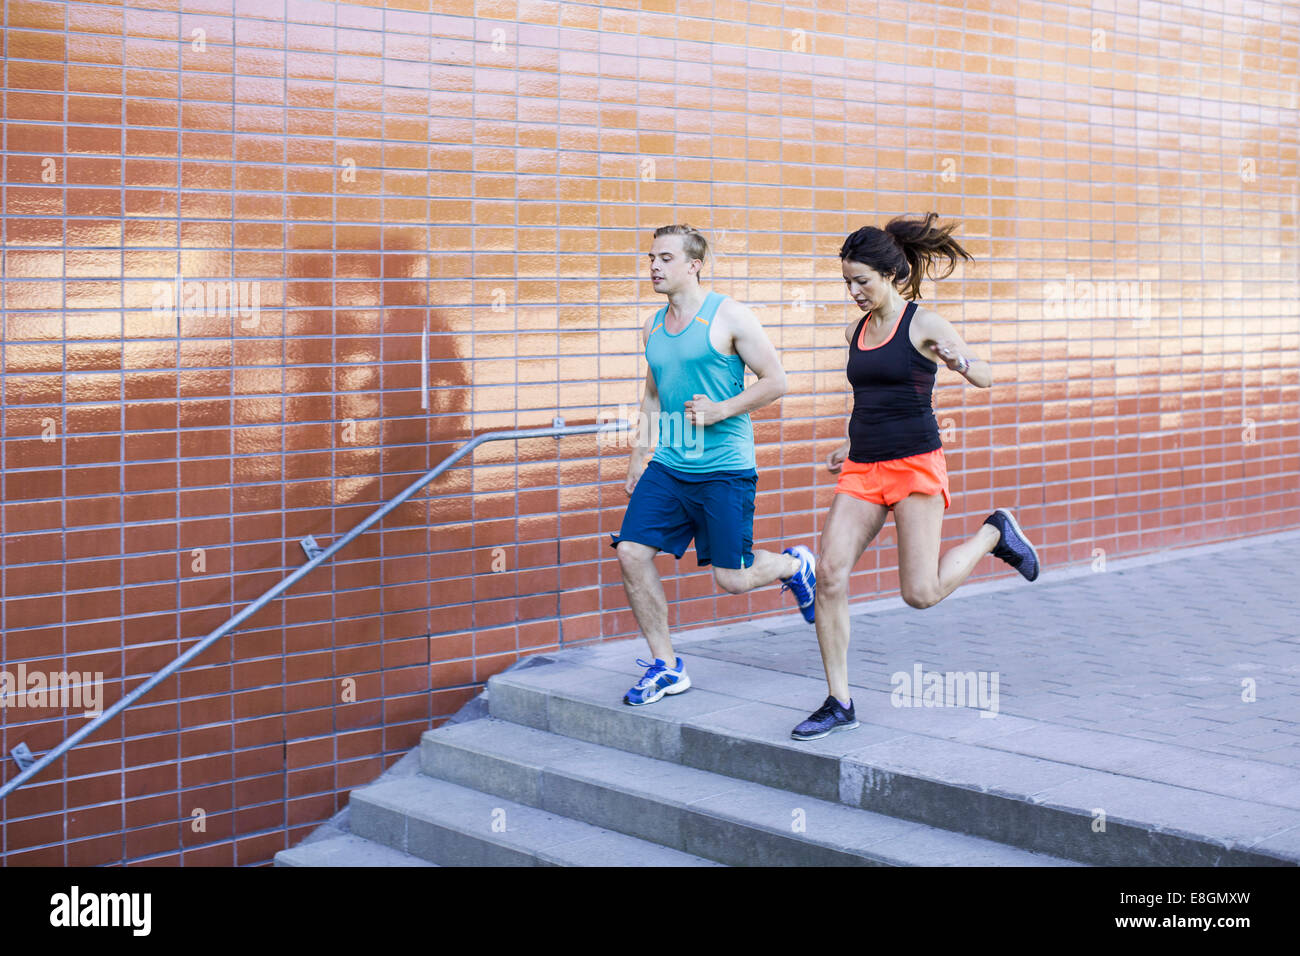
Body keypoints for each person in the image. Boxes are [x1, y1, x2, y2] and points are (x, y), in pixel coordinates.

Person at [790, 213, 1040, 740]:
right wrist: (849, 444)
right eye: (847, 283)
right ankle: (839, 700)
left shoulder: (923, 323)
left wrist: (959, 362)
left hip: (915, 465)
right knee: (831, 574)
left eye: (862, 282)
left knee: (920, 593)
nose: (854, 293)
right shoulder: (855, 330)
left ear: (890, 275)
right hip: (863, 466)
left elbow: (987, 376)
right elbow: (872, 398)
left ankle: (995, 532)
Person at [612, 224, 817, 706]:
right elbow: (653, 393)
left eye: (665, 258)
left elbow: (776, 381)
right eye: (651, 258)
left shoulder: (729, 317)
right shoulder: (653, 326)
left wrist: (721, 409)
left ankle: (793, 566)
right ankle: (666, 666)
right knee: (631, 552)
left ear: (694, 264)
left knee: (733, 579)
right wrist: (638, 455)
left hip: (724, 467)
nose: (655, 267)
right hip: (669, 464)